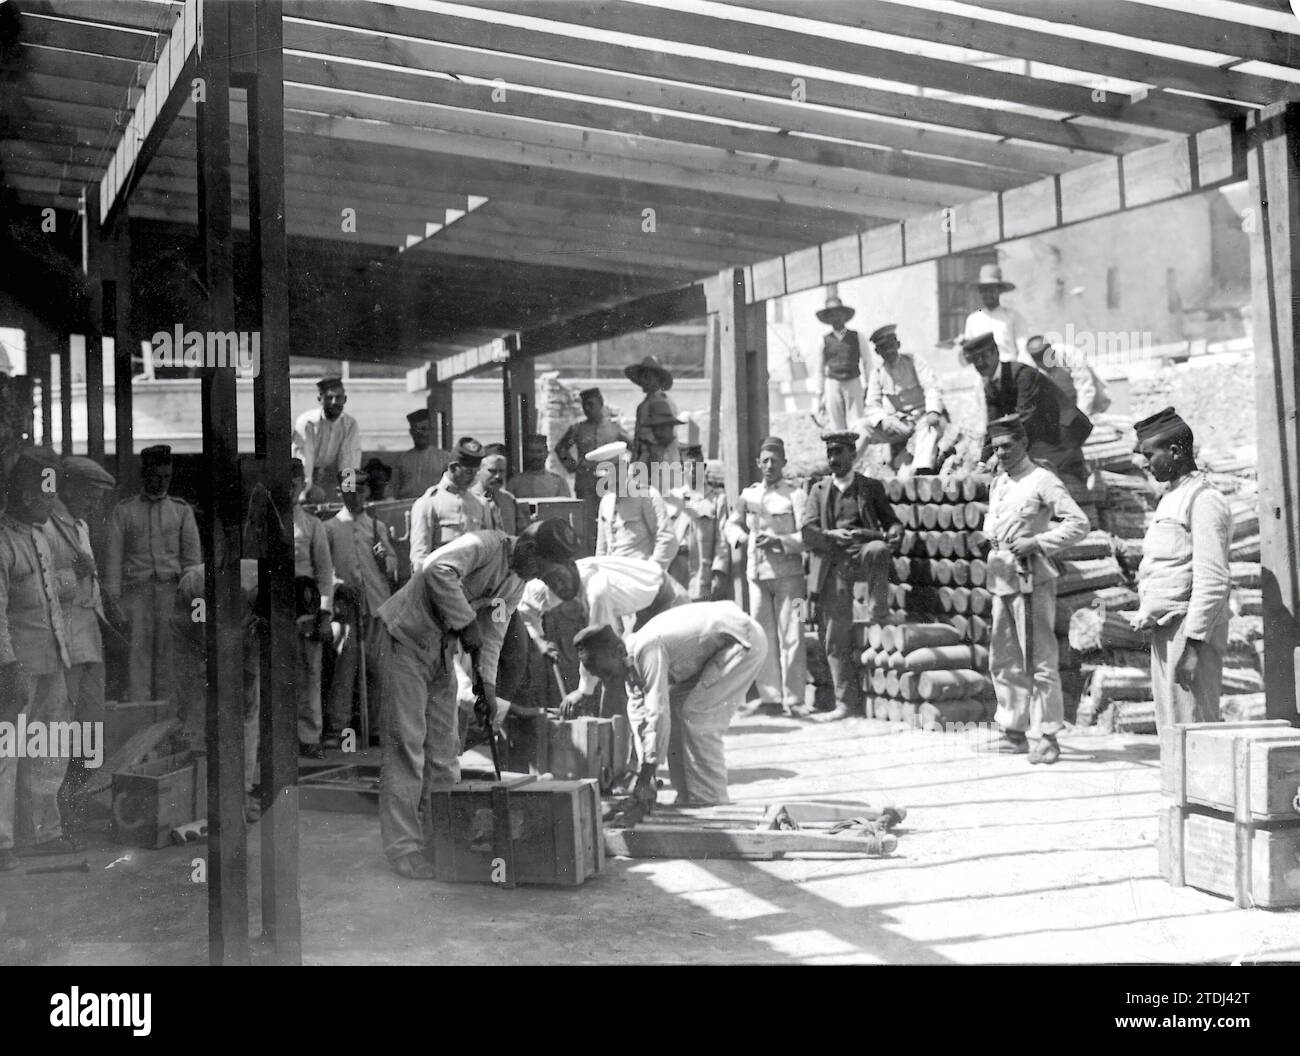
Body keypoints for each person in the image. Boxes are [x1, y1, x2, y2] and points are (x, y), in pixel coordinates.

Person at [375, 520, 580, 879]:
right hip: (404, 639)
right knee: (407, 744)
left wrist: (486, 685)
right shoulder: (484, 545)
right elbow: (435, 568)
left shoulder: (516, 582)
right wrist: (466, 621)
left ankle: (442, 840)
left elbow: (493, 633)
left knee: (444, 750)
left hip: (440, 652)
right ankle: (403, 848)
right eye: (539, 568)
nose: (536, 577)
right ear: (528, 548)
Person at [572, 602, 767, 808]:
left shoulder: (647, 650)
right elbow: (639, 716)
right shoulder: (625, 660)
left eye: (607, 673)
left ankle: (711, 801)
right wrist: (644, 775)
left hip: (743, 640)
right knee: (677, 710)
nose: (608, 681)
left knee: (697, 716)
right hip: (723, 643)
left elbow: (657, 712)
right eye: (601, 677)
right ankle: (687, 797)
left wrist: (646, 776)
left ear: (619, 651)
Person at [982, 415, 1089, 764]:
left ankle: (1047, 736)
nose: (1001, 453)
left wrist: (1039, 541)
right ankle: (1013, 731)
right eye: (996, 448)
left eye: (1007, 446)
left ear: (1023, 443)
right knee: (1003, 658)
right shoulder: (999, 483)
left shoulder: (1042, 479)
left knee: (1039, 659)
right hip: (1001, 576)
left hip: (1031, 577)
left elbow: (1079, 524)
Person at [1127, 408, 1232, 730]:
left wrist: (1193, 647)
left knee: (1194, 730)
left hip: (1190, 632)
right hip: (1167, 630)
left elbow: (1213, 580)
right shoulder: (1172, 496)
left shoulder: (1204, 499)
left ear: (1174, 451)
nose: (1145, 463)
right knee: (1172, 730)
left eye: (1149, 455)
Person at [0, 448, 72, 866]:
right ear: (28, 495)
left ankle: (42, 832)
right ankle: (2, 842)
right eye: (48, 493)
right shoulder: (3, 543)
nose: (53, 501)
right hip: (16, 668)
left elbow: (48, 597)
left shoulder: (40, 537)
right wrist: (7, 666)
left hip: (49, 661)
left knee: (48, 748)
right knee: (6, 754)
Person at [801, 432, 903, 722]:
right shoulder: (818, 490)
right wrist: (830, 534)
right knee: (835, 635)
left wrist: (894, 532)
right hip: (833, 563)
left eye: (839, 452)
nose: (833, 459)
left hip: (863, 554)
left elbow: (891, 521)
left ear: (853, 454)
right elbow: (807, 530)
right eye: (830, 453)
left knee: (878, 549)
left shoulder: (870, 487)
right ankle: (846, 703)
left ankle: (878, 610)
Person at [44, 456, 116, 842]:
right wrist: (75, 574)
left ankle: (77, 798)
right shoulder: (46, 525)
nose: (94, 504)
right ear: (70, 488)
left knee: (90, 725)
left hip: (90, 639)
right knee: (61, 728)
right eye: (90, 495)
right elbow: (41, 585)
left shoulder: (81, 526)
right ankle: (58, 811)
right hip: (64, 642)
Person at [103, 444, 201, 702]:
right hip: (137, 595)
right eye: (157, 476)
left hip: (171, 593)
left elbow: (192, 564)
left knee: (170, 654)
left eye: (167, 476)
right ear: (144, 474)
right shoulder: (124, 511)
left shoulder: (181, 511)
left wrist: (194, 605)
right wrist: (114, 603)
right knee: (138, 654)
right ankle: (139, 711)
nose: (162, 482)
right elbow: (113, 560)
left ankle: (168, 714)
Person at [725, 437, 810, 717]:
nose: (770, 465)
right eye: (765, 461)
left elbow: (808, 536)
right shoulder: (748, 496)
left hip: (791, 577)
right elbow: (731, 524)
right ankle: (770, 698)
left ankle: (795, 699)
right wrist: (743, 538)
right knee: (761, 636)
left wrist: (781, 542)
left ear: (784, 462)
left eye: (775, 460)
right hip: (757, 576)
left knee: (794, 634)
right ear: (758, 463)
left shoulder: (795, 495)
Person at [173, 561, 262, 821]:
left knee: (247, 707)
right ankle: (199, 795)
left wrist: (247, 680)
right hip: (195, 601)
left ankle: (240, 792)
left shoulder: (275, 595)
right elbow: (204, 644)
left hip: (231, 614)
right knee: (200, 702)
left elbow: (251, 660)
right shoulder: (209, 588)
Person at [324, 468, 396, 748]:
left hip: (376, 607)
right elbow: (324, 570)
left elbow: (392, 567)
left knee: (380, 672)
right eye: (350, 490)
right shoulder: (330, 528)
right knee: (344, 673)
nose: (356, 496)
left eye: (361, 490)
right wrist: (339, 586)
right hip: (347, 611)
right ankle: (337, 729)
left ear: (367, 492)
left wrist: (384, 558)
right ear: (340, 492)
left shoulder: (376, 526)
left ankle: (376, 729)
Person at [962, 331, 1087, 486]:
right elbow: (994, 427)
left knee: (1049, 480)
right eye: (975, 360)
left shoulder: (1022, 374)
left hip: (1062, 434)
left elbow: (1025, 417)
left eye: (983, 357)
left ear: (995, 352)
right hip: (1040, 435)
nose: (980, 364)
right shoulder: (990, 385)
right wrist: (982, 463)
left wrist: (999, 453)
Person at [290, 459, 334, 758]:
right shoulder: (264, 522)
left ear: (302, 485)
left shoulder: (311, 525)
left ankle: (309, 736)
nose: (288, 490)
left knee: (309, 674)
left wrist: (324, 614)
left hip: (305, 611)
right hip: (272, 609)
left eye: (294, 484)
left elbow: (325, 573)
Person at [860, 324, 946, 473]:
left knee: (931, 426)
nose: (889, 351)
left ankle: (922, 471)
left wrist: (933, 410)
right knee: (861, 426)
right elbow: (871, 405)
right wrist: (883, 420)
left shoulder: (914, 361)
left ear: (898, 345)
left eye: (891, 346)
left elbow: (931, 386)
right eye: (883, 348)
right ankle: (846, 469)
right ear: (877, 351)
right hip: (900, 424)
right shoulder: (877, 373)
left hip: (923, 417)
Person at [555, 387, 632, 552]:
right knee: (588, 523)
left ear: (601, 404)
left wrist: (626, 470)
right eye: (584, 406)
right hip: (587, 483)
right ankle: (591, 554)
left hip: (610, 483)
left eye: (591, 404)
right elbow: (561, 449)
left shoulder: (614, 427)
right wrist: (574, 467)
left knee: (612, 518)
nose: (587, 409)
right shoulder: (577, 429)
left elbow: (633, 447)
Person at [590, 441, 676, 570]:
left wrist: (652, 570)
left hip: (639, 573)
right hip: (612, 574)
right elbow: (602, 548)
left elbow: (667, 539)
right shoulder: (606, 501)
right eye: (605, 474)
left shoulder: (646, 495)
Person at [408, 437, 487, 568]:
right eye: (468, 472)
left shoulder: (479, 504)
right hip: (442, 576)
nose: (473, 477)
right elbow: (420, 556)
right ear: (453, 467)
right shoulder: (429, 503)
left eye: (476, 472)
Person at [292, 376, 363, 503]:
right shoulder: (307, 422)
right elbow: (304, 459)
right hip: (302, 477)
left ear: (345, 399)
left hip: (328, 476)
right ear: (320, 399)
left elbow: (349, 460)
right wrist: (305, 492)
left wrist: (349, 497)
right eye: (329, 398)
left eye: (338, 397)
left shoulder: (350, 424)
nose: (334, 402)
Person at [813, 295, 870, 432]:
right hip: (832, 383)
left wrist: (869, 386)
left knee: (857, 423)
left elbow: (868, 362)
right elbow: (819, 370)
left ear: (844, 315)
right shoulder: (823, 340)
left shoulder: (857, 336)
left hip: (853, 382)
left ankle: (857, 446)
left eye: (838, 314)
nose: (836, 318)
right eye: (831, 315)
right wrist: (819, 395)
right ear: (828, 319)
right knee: (836, 424)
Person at [1026, 334, 1109, 420]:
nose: (1047, 368)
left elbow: (1085, 388)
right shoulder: (1029, 366)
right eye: (1042, 365)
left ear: (1053, 353)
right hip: (1061, 405)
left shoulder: (1071, 354)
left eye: (1048, 363)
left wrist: (1080, 419)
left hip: (1089, 402)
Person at [962, 264, 1029, 363]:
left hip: (1009, 368)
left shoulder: (1013, 316)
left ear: (1000, 290)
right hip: (984, 369)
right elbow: (969, 355)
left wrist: (1020, 370)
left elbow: (1023, 349)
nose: (988, 294)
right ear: (980, 292)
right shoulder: (973, 319)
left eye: (992, 289)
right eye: (984, 290)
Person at [624, 356, 679, 466]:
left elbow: (666, 437)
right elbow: (638, 440)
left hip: (659, 461)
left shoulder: (661, 402)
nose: (645, 380)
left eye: (649, 377)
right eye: (643, 377)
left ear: (658, 379)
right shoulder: (644, 404)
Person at [393, 408, 450, 500]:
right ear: (411, 432)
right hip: (407, 504)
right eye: (416, 430)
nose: (420, 433)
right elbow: (393, 490)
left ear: (430, 431)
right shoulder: (402, 459)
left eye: (424, 429)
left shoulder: (444, 458)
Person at [474, 449, 527, 535]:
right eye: (492, 471)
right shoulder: (470, 499)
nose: (498, 476)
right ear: (478, 470)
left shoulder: (509, 499)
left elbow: (522, 532)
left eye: (501, 471)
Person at [508, 433, 570, 500]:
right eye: (532, 452)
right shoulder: (515, 482)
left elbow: (565, 505)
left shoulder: (558, 482)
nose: (535, 456)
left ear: (546, 454)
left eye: (539, 451)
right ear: (526, 454)